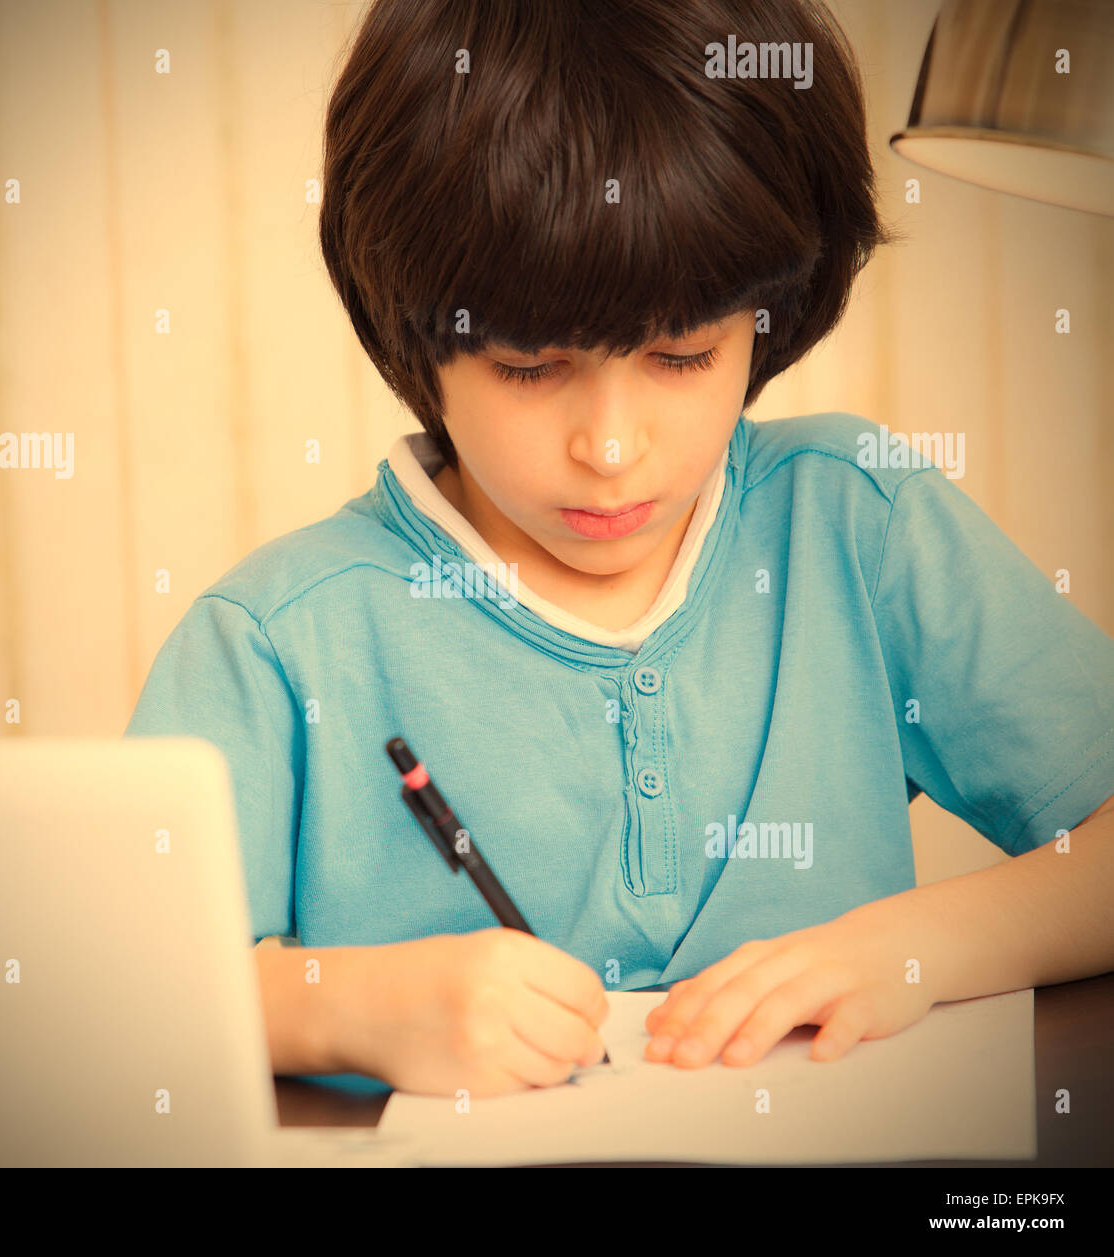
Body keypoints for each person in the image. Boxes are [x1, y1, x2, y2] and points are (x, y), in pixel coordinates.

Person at [127, 0, 1114, 1098]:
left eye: (682, 355)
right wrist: (345, 1011)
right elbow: (106, 994)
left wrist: (912, 947)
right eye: (529, 368)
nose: (609, 447)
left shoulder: (855, 521)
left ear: (769, 318)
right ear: (412, 333)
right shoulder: (276, 641)